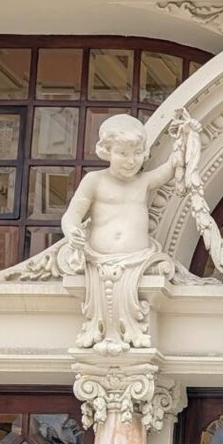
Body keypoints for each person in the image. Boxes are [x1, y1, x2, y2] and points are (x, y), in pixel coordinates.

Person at [59, 111, 183, 351]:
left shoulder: (142, 182)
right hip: (100, 262)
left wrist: (182, 141)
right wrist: (71, 231)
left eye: (137, 153)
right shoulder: (94, 181)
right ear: (107, 152)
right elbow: (72, 215)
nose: (130, 161)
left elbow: (167, 170)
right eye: (122, 153)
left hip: (137, 262)